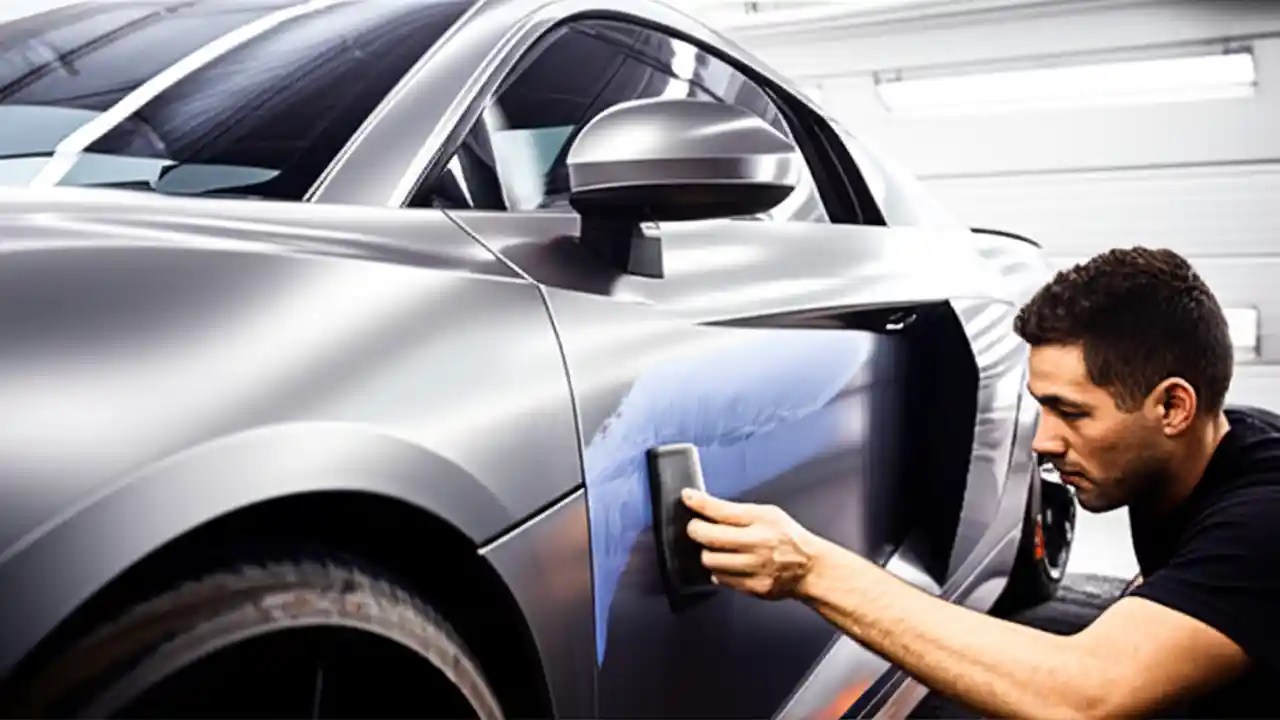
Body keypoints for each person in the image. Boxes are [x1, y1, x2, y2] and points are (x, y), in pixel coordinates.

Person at [681, 246, 1280, 718]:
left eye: (1072, 412)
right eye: (1039, 407)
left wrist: (812, 569)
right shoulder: (1210, 451)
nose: (1042, 441)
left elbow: (1086, 696)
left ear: (1173, 407)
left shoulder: (1262, 518)